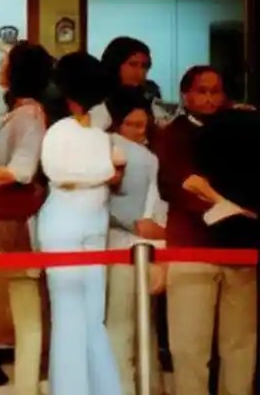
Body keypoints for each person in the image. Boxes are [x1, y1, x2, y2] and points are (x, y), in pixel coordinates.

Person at [160, 66, 256, 395]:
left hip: (241, 248)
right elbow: (179, 186)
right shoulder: (172, 134)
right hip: (191, 247)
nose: (211, 98)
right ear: (185, 94)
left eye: (217, 91)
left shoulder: (245, 127)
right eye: (202, 91)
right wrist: (227, 204)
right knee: (189, 346)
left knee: (240, 344)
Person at [37, 52, 122, 395]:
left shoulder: (99, 134)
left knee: (93, 315)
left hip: (93, 222)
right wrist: (106, 172)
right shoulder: (60, 131)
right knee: (69, 314)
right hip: (64, 222)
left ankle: (102, 388)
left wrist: (108, 173)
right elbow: (58, 173)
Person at [0, 41, 54, 395]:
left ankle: (27, 385)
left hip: (18, 225)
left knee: (28, 313)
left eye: (6, 62)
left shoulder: (30, 115)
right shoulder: (18, 113)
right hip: (3, 225)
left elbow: (20, 171)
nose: (0, 67)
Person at [102, 87, 168, 395]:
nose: (140, 132)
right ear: (117, 123)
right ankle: (148, 387)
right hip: (131, 243)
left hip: (126, 245)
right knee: (139, 325)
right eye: (133, 125)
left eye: (144, 125)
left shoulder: (138, 154)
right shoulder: (135, 154)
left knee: (123, 325)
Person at [95, 37, 166, 129]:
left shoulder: (150, 98)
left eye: (144, 66)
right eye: (133, 64)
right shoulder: (97, 100)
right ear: (115, 65)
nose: (140, 72)